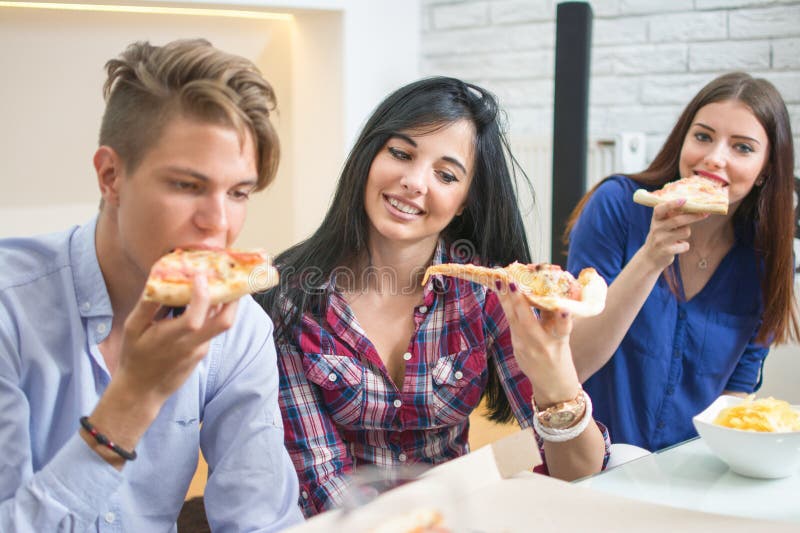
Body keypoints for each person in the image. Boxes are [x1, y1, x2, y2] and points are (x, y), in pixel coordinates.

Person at [257, 76, 610, 517]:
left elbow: (582, 476)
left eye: (446, 175)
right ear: (368, 157)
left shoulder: (490, 294)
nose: (414, 182)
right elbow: (320, 477)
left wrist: (557, 380)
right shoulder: (290, 299)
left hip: (453, 516)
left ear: (464, 201)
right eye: (401, 154)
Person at [0, 39, 303, 531]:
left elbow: (262, 519)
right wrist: (135, 398)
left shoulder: (240, 327)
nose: (218, 224)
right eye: (187, 186)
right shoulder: (10, 311)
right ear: (111, 175)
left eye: (239, 192)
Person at [565, 72, 799, 451]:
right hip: (592, 459)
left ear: (766, 171)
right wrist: (652, 256)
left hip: (691, 465)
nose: (714, 158)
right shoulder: (616, 207)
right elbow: (572, 364)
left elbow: (736, 392)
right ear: (683, 140)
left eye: (742, 148)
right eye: (703, 136)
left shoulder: (768, 257)